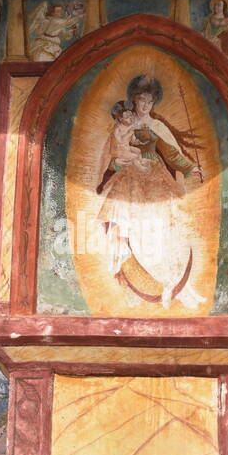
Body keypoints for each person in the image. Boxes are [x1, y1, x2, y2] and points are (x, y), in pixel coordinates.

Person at [95, 75, 205, 310]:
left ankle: (172, 282)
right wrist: (120, 165)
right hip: (129, 182)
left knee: (163, 228)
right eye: (141, 100)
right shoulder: (121, 127)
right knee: (127, 230)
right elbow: (111, 157)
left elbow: (172, 153)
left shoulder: (157, 126)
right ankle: (130, 286)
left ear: (154, 103)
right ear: (133, 101)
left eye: (149, 102)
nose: (145, 105)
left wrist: (190, 167)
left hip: (156, 181)